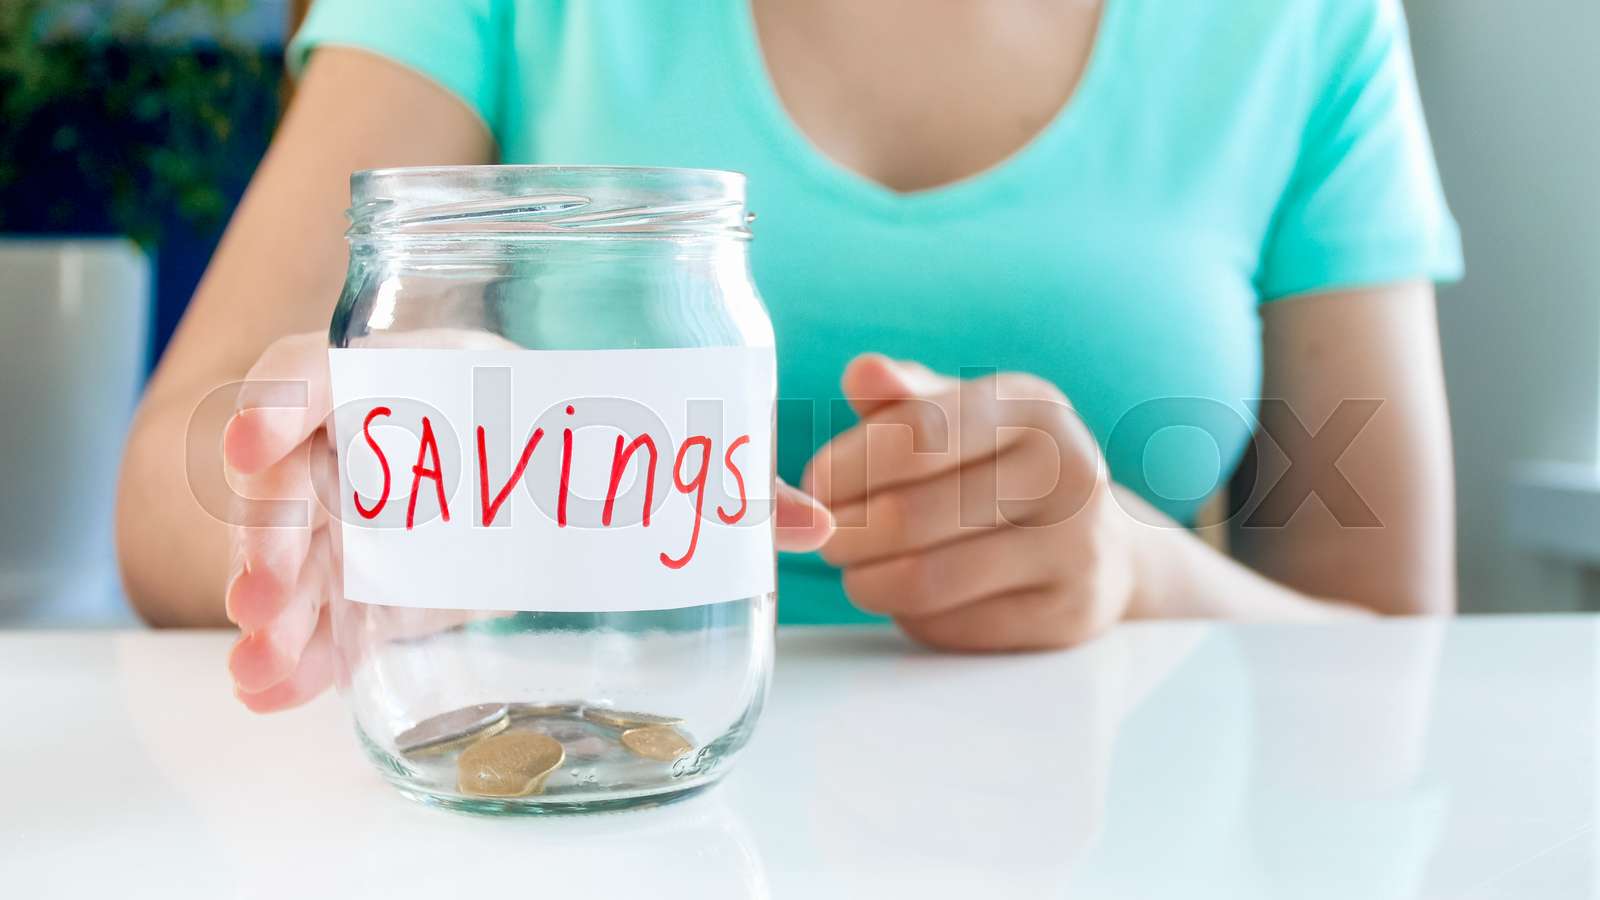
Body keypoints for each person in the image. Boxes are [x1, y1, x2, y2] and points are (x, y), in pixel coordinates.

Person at [115, 0, 1461, 713]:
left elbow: (1407, 651)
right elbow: (176, 476)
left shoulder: (1310, 22)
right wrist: (315, 506)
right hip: (561, 795)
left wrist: (1136, 571)